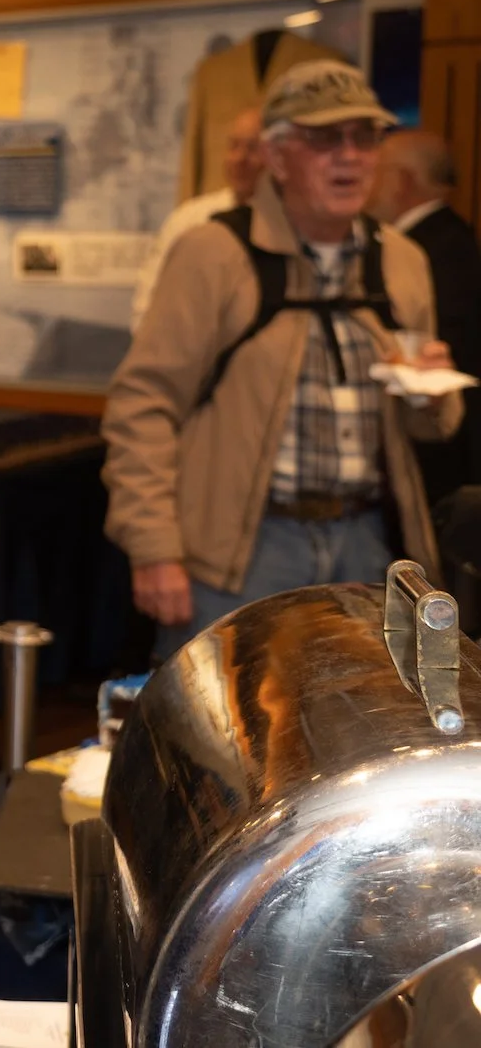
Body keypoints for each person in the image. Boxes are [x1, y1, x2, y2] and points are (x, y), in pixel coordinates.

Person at [103, 60, 463, 660]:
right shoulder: (214, 254)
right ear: (277, 157)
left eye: (364, 137)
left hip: (368, 544)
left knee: (355, 734)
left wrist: (431, 393)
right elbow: (143, 406)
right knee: (226, 742)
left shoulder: (401, 260)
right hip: (238, 554)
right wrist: (154, 549)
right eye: (324, 139)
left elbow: (428, 426)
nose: (348, 157)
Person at [372, 129, 481, 506]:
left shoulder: (428, 250)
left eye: (377, 169)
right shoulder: (452, 239)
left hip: (437, 452)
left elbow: (440, 352)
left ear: (402, 180)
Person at [130, 106, 264, 328]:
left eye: (253, 148)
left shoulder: (290, 225)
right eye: (233, 146)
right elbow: (147, 303)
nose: (240, 158)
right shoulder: (189, 219)